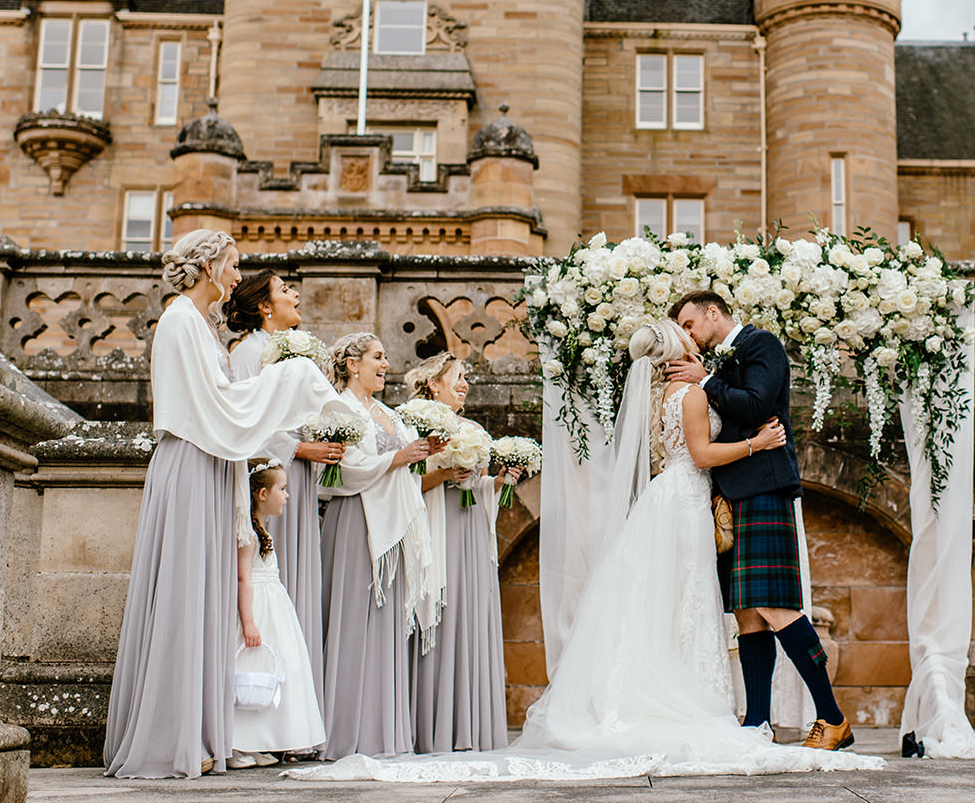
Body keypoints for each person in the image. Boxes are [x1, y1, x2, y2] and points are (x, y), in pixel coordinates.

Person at [288, 320, 883, 782]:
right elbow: (701, 457)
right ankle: (779, 715)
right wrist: (754, 441)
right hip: (687, 501)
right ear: (679, 350)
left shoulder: (655, 402)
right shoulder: (694, 397)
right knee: (698, 604)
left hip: (665, 501)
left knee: (678, 606)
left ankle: (751, 718)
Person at [103, 230, 340, 779]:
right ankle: (176, 735)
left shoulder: (199, 325)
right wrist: (291, 376)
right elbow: (219, 405)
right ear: (209, 267)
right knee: (188, 594)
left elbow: (225, 405)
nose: (237, 276)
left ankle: (202, 731)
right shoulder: (181, 320)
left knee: (208, 598)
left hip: (212, 464)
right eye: (233, 265)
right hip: (191, 462)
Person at [669, 291, 851, 751]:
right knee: (748, 616)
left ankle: (832, 719)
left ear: (714, 312)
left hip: (765, 488)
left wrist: (705, 379)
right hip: (734, 495)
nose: (688, 335)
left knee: (778, 607)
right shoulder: (723, 361)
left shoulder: (760, 344)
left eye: (690, 324)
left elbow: (754, 405)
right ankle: (757, 724)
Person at [318, 333, 442, 760]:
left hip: (392, 527)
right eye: (377, 357)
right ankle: (345, 732)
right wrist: (399, 457)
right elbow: (346, 469)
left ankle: (384, 733)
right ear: (352, 364)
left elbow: (406, 466)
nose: (386, 364)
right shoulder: (339, 408)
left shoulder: (390, 414)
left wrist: (423, 452)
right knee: (353, 620)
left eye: (385, 357)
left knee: (385, 623)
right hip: (355, 521)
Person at [225, 270, 344, 712]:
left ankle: (298, 712)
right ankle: (264, 708)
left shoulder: (296, 353)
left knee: (299, 589)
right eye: (284, 289)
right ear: (264, 306)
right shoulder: (247, 352)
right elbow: (245, 420)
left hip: (298, 478)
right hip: (267, 480)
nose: (296, 294)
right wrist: (300, 446)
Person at [406, 352, 517, 752]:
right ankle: (432, 729)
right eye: (457, 376)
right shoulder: (414, 423)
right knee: (442, 616)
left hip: (470, 531)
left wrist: (500, 481)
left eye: (466, 376)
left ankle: (469, 728)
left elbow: (479, 487)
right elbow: (404, 486)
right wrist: (443, 474)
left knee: (470, 616)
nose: (465, 383)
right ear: (434, 383)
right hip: (437, 532)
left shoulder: (471, 428)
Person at [230, 461, 327, 767]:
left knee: (278, 672)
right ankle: (238, 743)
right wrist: (249, 623)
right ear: (261, 494)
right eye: (282, 489)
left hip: (275, 606)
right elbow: (243, 578)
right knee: (252, 673)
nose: (287, 496)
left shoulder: (262, 530)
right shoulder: (248, 534)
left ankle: (261, 740)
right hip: (259, 608)